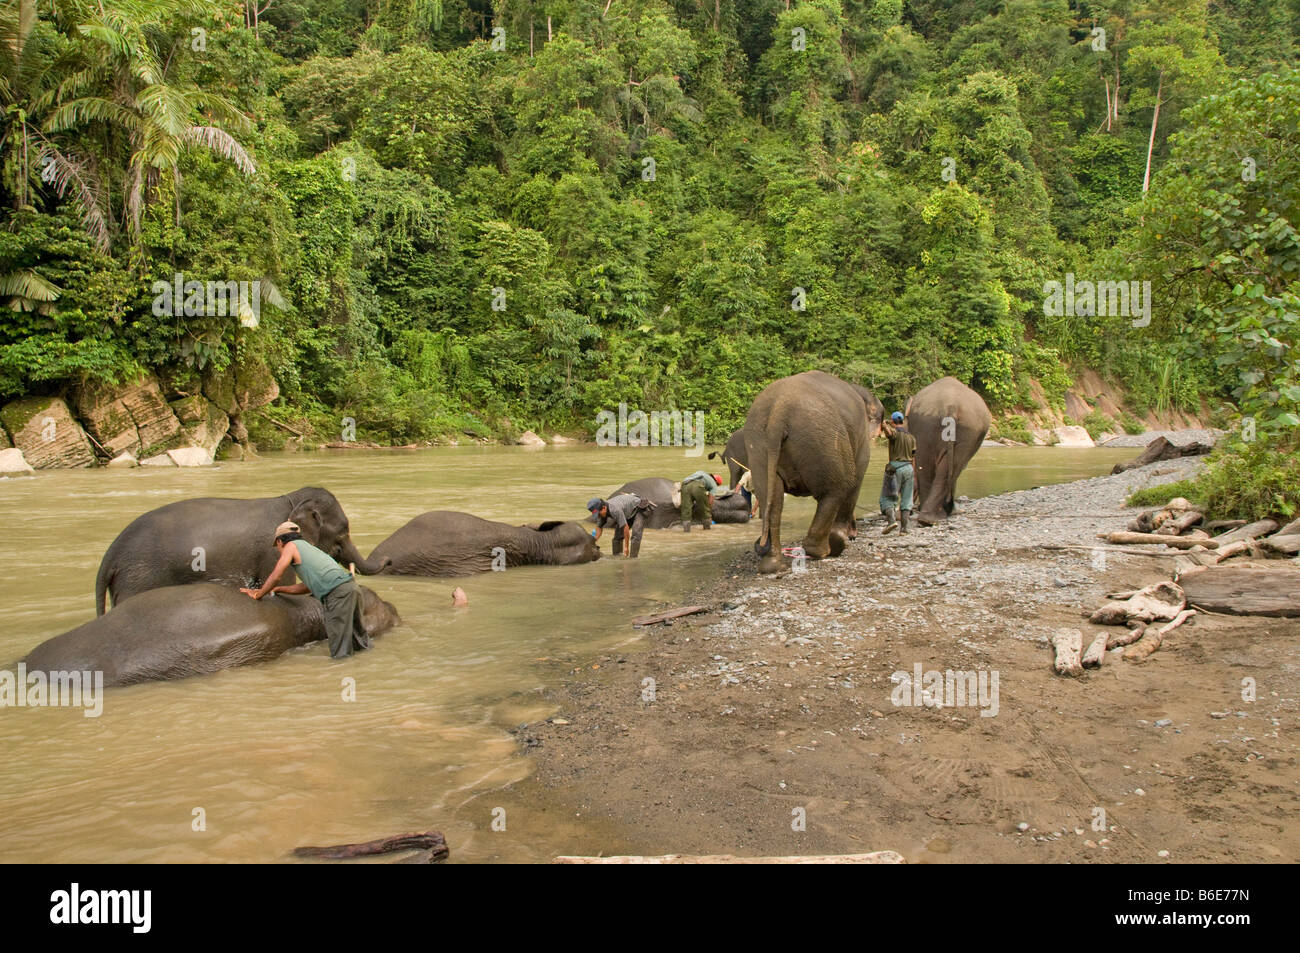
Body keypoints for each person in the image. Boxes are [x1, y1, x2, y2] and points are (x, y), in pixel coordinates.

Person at [240, 520, 370, 658]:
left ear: (279, 542)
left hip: (338, 595)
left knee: (340, 650)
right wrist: (281, 589)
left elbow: (276, 575)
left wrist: (259, 593)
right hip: (352, 588)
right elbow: (308, 586)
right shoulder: (309, 548)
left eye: (277, 546)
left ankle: (342, 675)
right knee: (360, 642)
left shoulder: (290, 546)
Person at [880, 411, 916, 535]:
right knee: (906, 499)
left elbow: (890, 434)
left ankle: (891, 522)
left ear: (893, 421)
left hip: (895, 468)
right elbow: (914, 456)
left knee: (888, 497)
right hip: (909, 468)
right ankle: (904, 528)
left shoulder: (895, 433)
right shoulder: (911, 437)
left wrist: (884, 425)